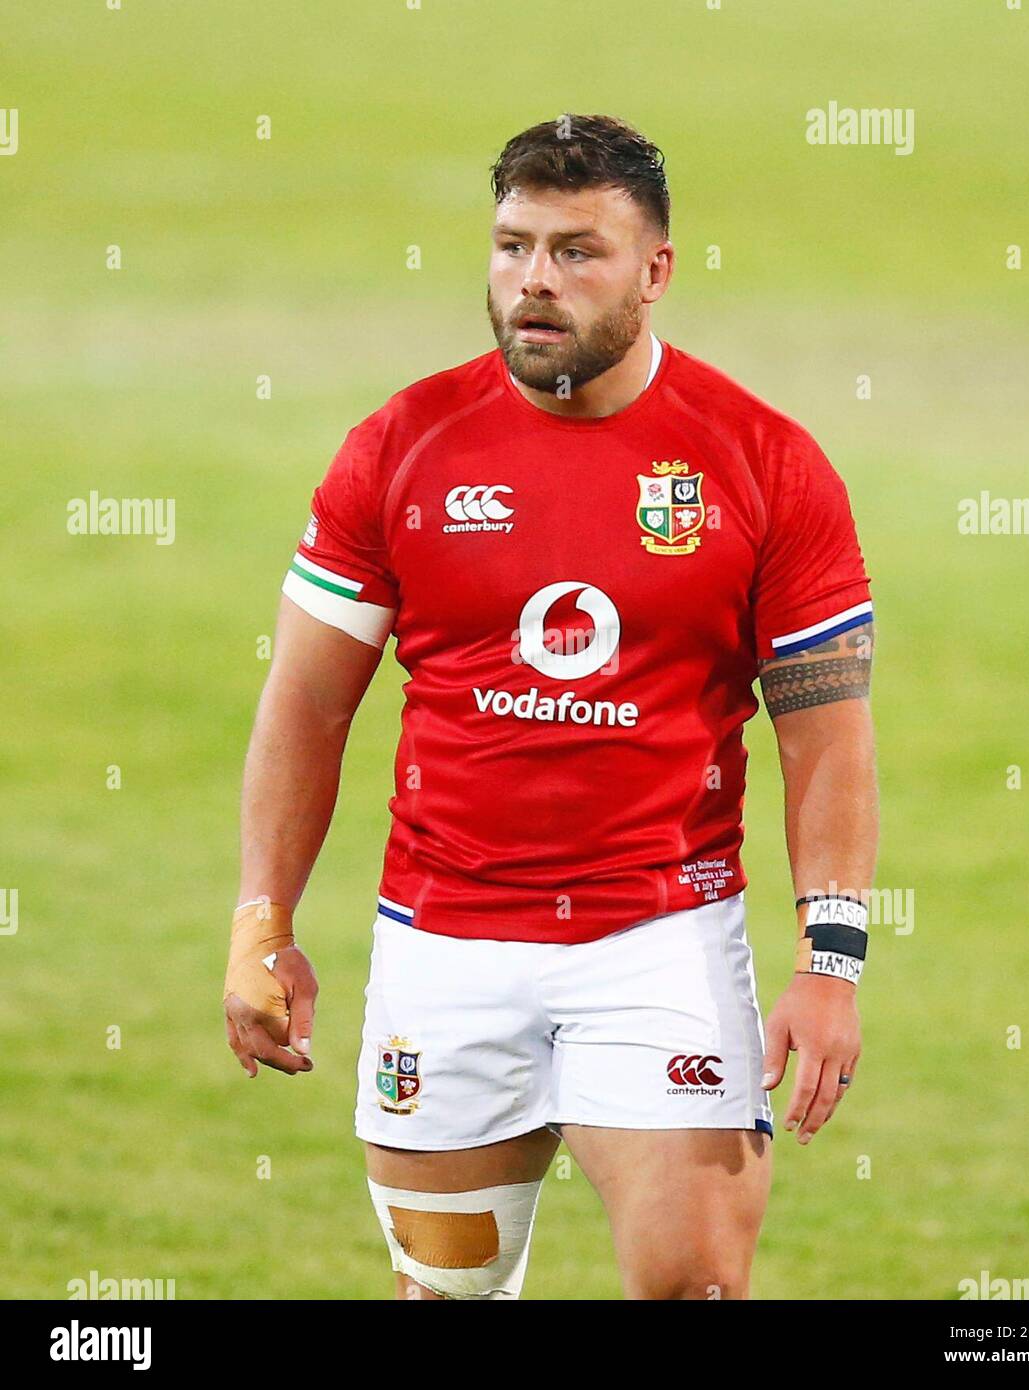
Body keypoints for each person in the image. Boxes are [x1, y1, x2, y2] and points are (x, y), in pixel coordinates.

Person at [224, 114, 878, 1301]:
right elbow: (305, 707)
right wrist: (259, 920)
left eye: (576, 251)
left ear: (656, 271)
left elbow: (824, 737)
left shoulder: (762, 462)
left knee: (694, 1288)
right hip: (446, 946)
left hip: (660, 942)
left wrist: (829, 960)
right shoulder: (400, 448)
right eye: (513, 245)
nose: (534, 281)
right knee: (449, 1296)